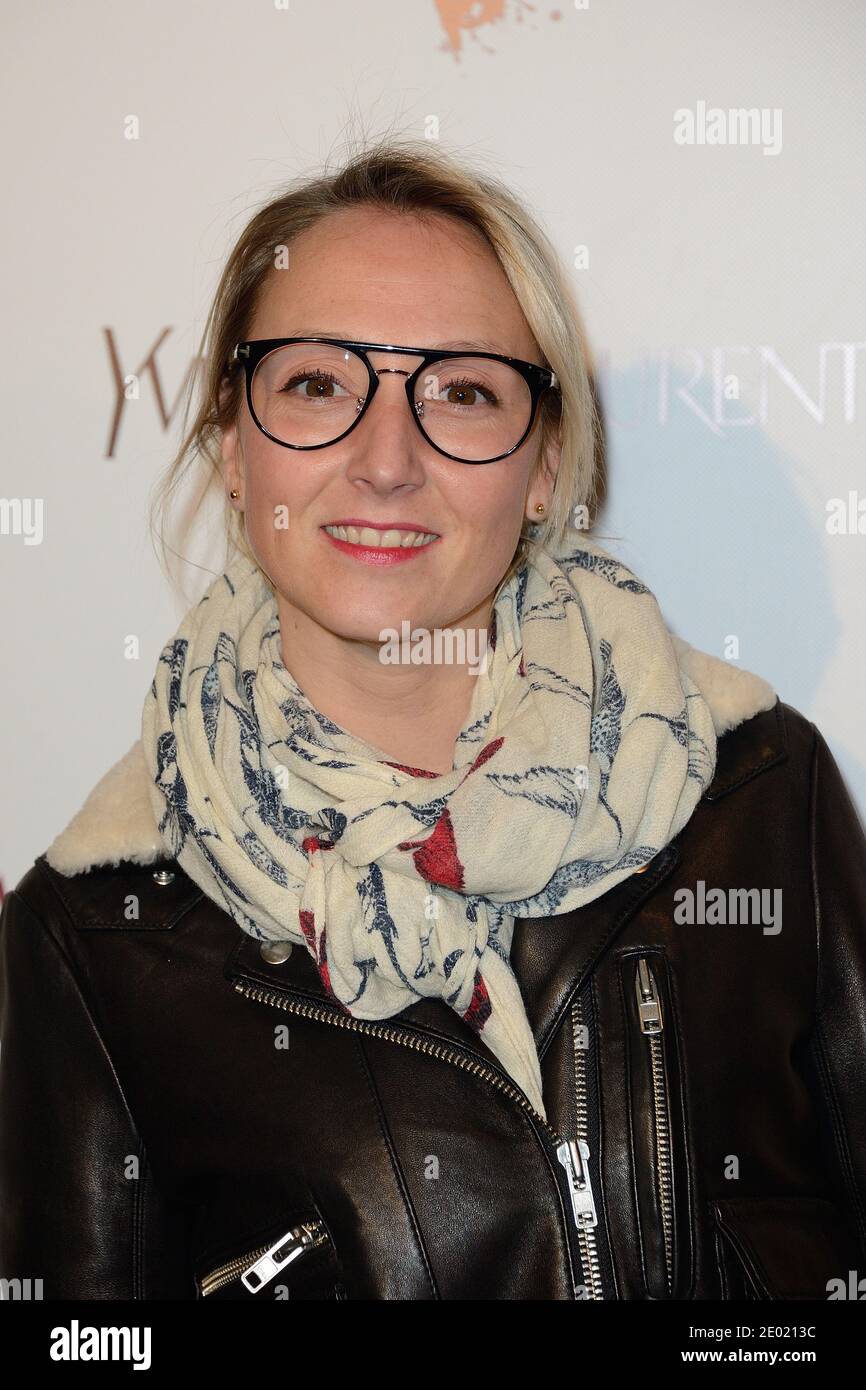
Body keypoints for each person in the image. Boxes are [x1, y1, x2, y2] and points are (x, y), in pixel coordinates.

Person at [1, 137, 864, 1301]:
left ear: (545, 462)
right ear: (229, 446)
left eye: (459, 390)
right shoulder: (96, 925)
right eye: (316, 384)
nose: (385, 460)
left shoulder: (755, 789)